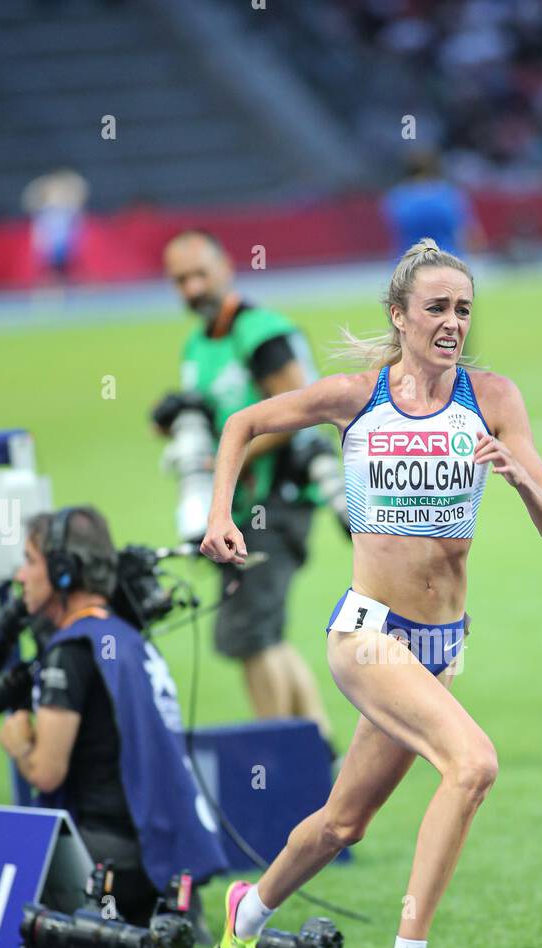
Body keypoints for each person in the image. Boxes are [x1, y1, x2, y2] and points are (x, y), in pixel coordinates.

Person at [200, 238, 542, 948]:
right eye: (435, 308)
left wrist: (520, 479)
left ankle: (247, 912)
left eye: (463, 309)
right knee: (471, 764)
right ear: (399, 317)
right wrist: (221, 514)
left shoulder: (495, 399)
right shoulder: (356, 398)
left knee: (342, 824)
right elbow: (243, 423)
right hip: (365, 633)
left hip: (436, 648)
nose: (451, 322)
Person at [0, 507, 227, 928]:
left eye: (31, 561)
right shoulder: (126, 635)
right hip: (168, 857)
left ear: (64, 571)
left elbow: (46, 773)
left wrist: (18, 745)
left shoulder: (73, 650)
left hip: (113, 860)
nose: (19, 575)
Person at [160, 228, 348, 740]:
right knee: (263, 633)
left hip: (277, 500)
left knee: (250, 635)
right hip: (238, 508)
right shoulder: (198, 344)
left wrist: (228, 451)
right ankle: (314, 743)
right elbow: (212, 418)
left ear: (227, 268)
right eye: (180, 280)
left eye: (200, 274)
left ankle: (278, 748)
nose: (192, 288)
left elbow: (300, 413)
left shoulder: (262, 332)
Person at [381, 150, 486, 260]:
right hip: (447, 260)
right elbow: (471, 236)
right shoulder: (450, 195)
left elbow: (394, 234)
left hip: (409, 263)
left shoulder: (395, 198)